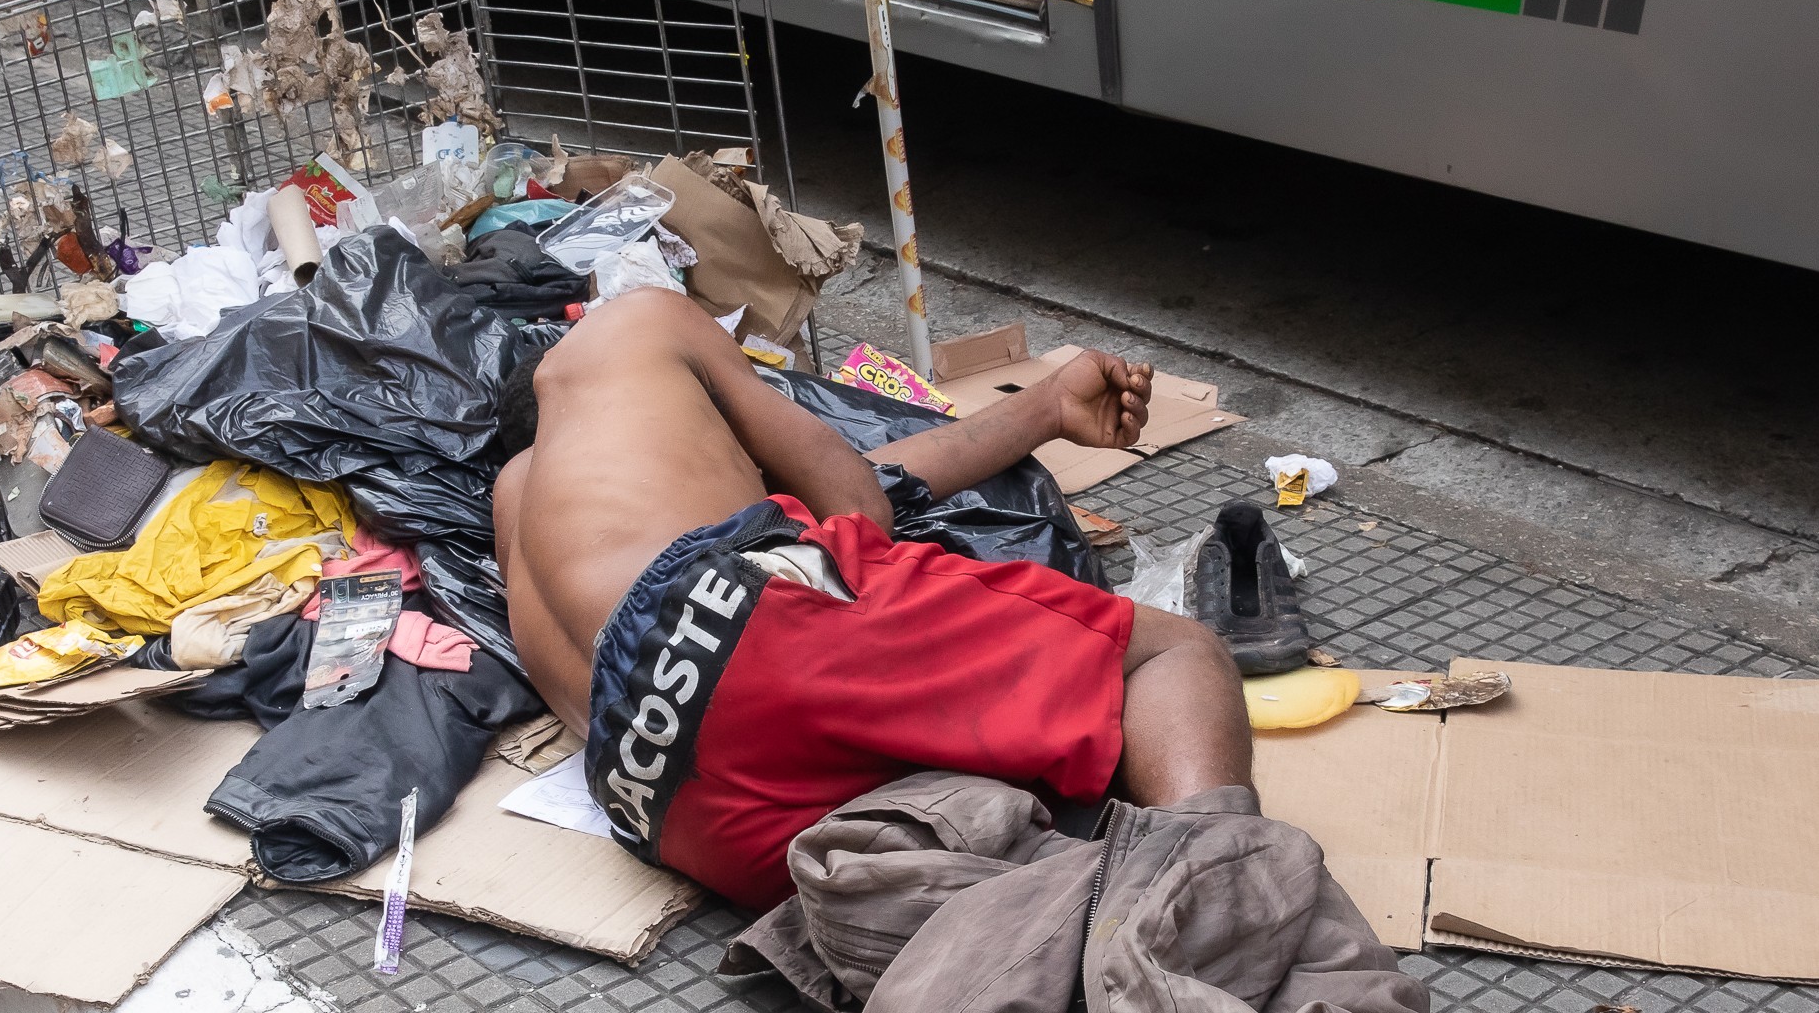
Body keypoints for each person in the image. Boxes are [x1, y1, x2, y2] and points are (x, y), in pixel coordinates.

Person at [490, 289, 1253, 904]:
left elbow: (881, 479)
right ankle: (1220, 898)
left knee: (1014, 839)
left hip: (667, 802)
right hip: (748, 630)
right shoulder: (630, 324)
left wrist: (1049, 406)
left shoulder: (519, 502)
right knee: (1170, 654)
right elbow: (862, 504)